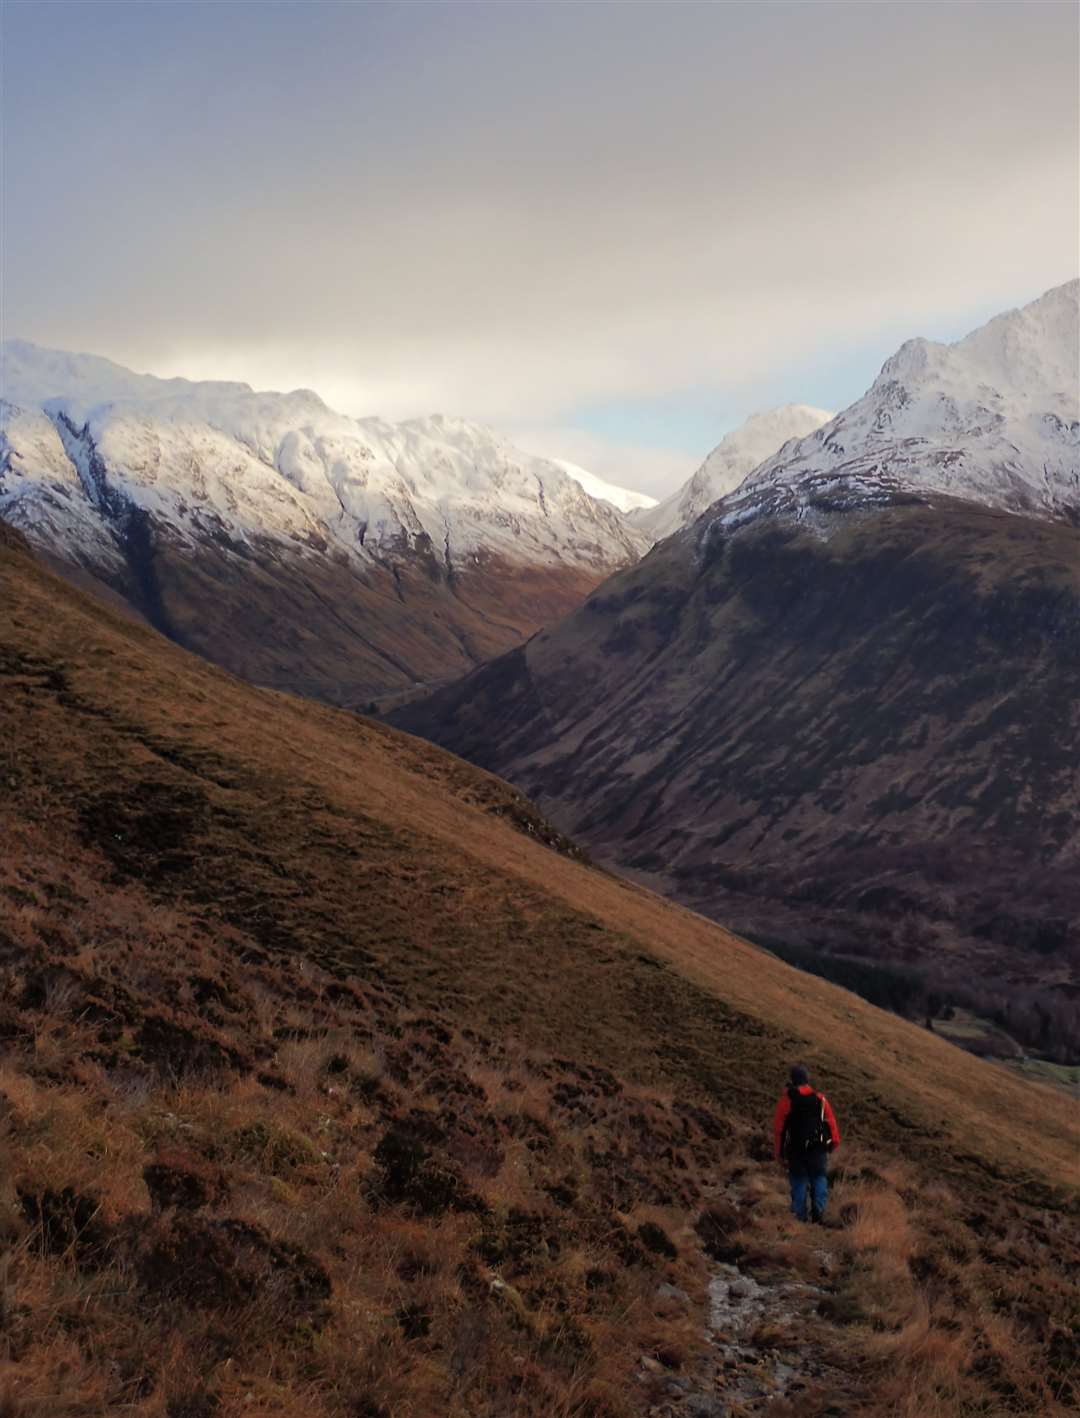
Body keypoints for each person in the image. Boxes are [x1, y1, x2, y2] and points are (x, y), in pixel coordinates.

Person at [773, 1064, 841, 1223]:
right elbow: (831, 1122)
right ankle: (819, 1208)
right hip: (818, 1148)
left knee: (799, 1180)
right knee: (819, 1177)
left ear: (792, 1080)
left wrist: (779, 1154)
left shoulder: (786, 1100)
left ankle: (799, 1215)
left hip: (795, 1150)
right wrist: (834, 1143)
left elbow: (779, 1130)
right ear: (807, 1079)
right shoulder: (820, 1099)